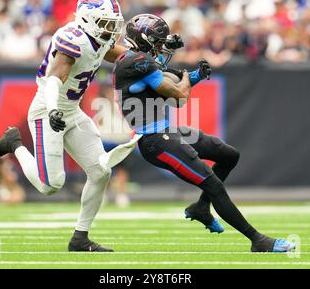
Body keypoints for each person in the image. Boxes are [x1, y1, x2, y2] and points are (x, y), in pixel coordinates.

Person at [112, 13, 296, 252]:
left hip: (167, 131)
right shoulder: (137, 61)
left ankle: (200, 207)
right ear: (144, 40)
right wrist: (189, 77)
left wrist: (195, 75)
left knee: (229, 155)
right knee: (214, 185)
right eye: (158, 41)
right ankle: (257, 240)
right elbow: (179, 95)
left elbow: (171, 82)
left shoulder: (138, 59)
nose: (161, 46)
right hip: (154, 140)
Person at [0, 0, 129, 252]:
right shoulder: (72, 39)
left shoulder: (96, 38)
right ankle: (14, 143)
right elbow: (54, 78)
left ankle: (80, 237)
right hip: (47, 109)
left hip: (72, 110)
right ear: (88, 20)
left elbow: (112, 53)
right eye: (106, 23)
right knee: (50, 185)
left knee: (101, 171)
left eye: (113, 23)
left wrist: (148, 58)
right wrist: (53, 110)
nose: (111, 29)